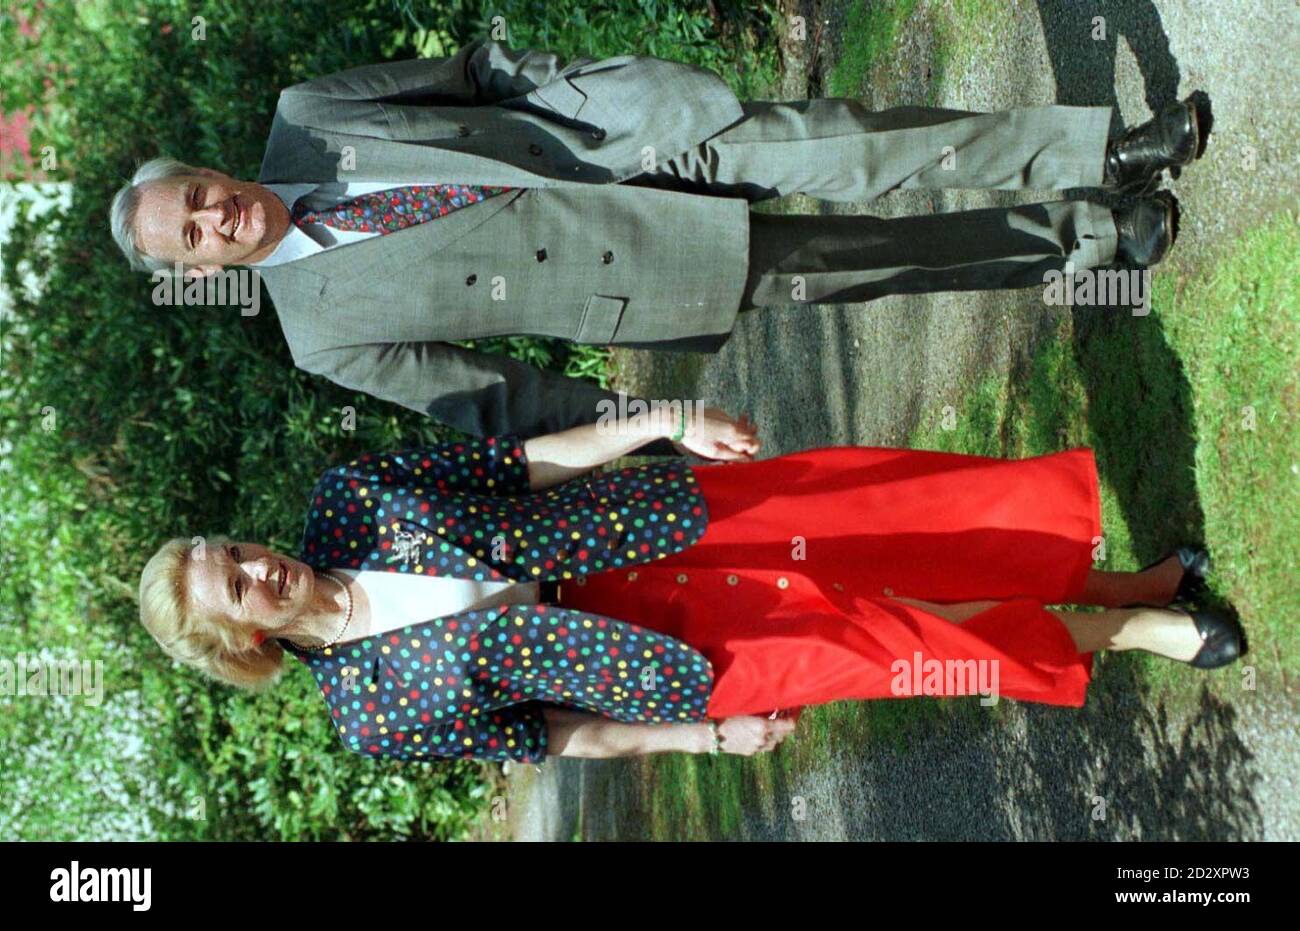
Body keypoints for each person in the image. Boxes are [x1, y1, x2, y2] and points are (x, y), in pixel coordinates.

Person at [109, 38, 1211, 453]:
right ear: (196, 274)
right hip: (632, 278)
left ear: (207, 169)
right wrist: (654, 422)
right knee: (878, 254)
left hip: (631, 143)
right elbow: (503, 401)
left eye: (199, 194)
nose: (218, 217)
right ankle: (1092, 235)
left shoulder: (310, 112)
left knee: (859, 147)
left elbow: (472, 72)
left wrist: (578, 84)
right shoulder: (321, 340)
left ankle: (1105, 147)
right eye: (195, 237)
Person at [137, 407, 1244, 762]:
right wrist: (701, 744)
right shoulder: (367, 712)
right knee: (890, 642)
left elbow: (517, 464)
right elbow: (557, 737)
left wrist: (658, 422)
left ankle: (1108, 577)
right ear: (242, 641)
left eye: (231, 549)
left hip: (656, 525)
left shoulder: (351, 499)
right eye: (231, 588)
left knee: (883, 523)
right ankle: (1135, 626)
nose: (251, 566)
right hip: (670, 657)